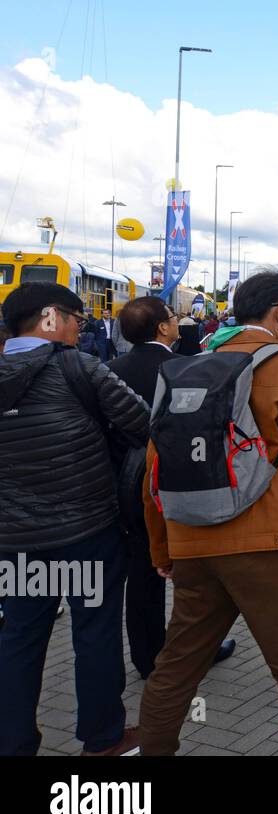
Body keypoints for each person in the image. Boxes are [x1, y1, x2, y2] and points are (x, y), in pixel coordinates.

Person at [137, 271, 278, 756]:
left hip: (193, 544)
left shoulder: (189, 368)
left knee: (178, 664)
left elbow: (154, 468)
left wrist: (162, 546)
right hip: (267, 549)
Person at [0, 283, 151, 756]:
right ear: (51, 317)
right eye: (74, 318)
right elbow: (144, 423)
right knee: (95, 632)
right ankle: (103, 738)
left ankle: (13, 741)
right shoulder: (77, 366)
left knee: (19, 637)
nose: (77, 328)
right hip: (86, 529)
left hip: (15, 538)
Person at [108, 297, 236, 678]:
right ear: (162, 328)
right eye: (171, 317)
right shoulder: (183, 368)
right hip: (173, 483)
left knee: (143, 572)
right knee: (192, 575)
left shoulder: (109, 368)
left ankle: (147, 656)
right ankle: (193, 651)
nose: (177, 321)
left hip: (124, 486)